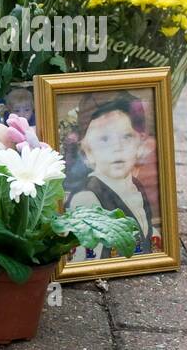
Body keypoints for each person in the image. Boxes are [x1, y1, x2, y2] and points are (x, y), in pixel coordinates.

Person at [67, 94, 157, 260]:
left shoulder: (135, 186)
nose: (117, 147)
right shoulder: (88, 198)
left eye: (127, 136)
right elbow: (85, 259)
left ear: (139, 144)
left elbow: (145, 231)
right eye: (104, 139)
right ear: (88, 152)